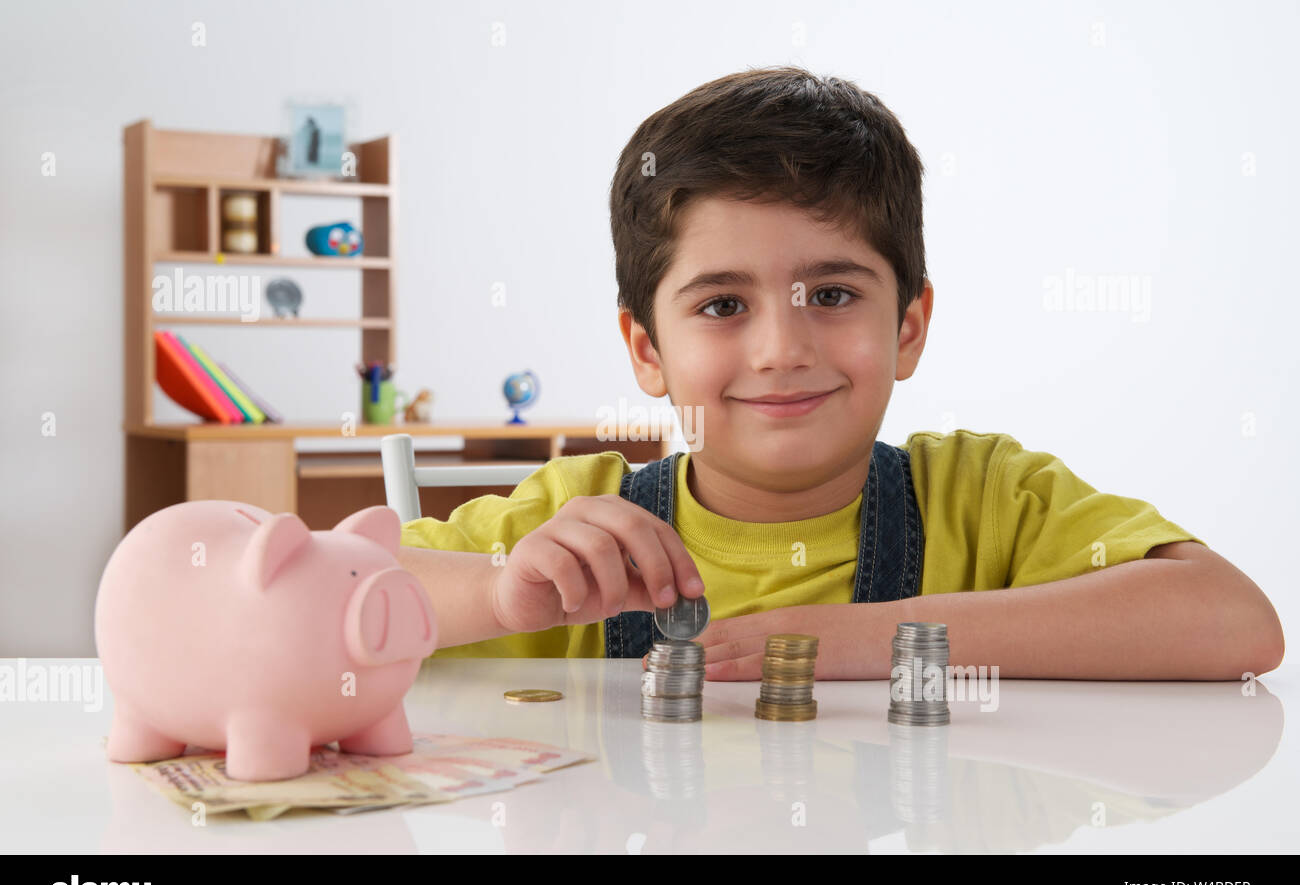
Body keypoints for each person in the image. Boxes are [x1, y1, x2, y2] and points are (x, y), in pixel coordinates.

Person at [398, 66, 1283, 680]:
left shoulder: (982, 499)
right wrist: (495, 593)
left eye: (830, 292)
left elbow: (1233, 620)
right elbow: (291, 601)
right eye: (721, 305)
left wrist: (861, 637)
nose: (782, 348)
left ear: (908, 326)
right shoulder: (568, 526)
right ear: (646, 351)